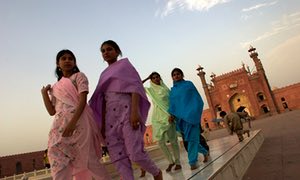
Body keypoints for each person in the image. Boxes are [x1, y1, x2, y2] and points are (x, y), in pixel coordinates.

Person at [89, 40, 163, 180]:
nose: (106, 52)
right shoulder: (103, 74)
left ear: (117, 51)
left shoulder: (125, 66)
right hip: (110, 120)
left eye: (109, 49)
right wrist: (103, 126)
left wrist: (135, 113)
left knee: (135, 153)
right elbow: (102, 100)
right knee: (118, 156)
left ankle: (156, 172)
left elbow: (135, 88)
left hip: (127, 114)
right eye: (103, 51)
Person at [41, 49, 110, 180]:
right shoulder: (56, 87)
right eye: (63, 58)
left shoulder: (79, 77)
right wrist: (44, 94)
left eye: (70, 58)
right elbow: (51, 111)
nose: (67, 60)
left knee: (87, 159)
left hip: (79, 124)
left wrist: (72, 124)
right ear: (57, 63)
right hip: (60, 126)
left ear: (74, 62)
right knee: (56, 155)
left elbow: (82, 101)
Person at [168, 68, 209, 170]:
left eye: (178, 74)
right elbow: (173, 104)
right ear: (172, 77)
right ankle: (205, 152)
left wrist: (193, 111)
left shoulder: (188, 85)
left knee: (192, 139)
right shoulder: (173, 90)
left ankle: (192, 161)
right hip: (181, 119)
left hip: (191, 116)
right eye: (174, 75)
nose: (176, 76)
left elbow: (197, 99)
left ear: (182, 75)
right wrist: (172, 115)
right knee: (190, 139)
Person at [143, 72, 182, 172]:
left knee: (173, 141)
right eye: (154, 78)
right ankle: (170, 161)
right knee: (160, 142)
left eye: (157, 77)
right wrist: (147, 78)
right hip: (157, 119)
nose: (156, 79)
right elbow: (137, 85)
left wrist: (172, 115)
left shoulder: (166, 90)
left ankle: (177, 162)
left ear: (160, 78)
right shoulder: (151, 90)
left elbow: (172, 103)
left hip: (168, 117)